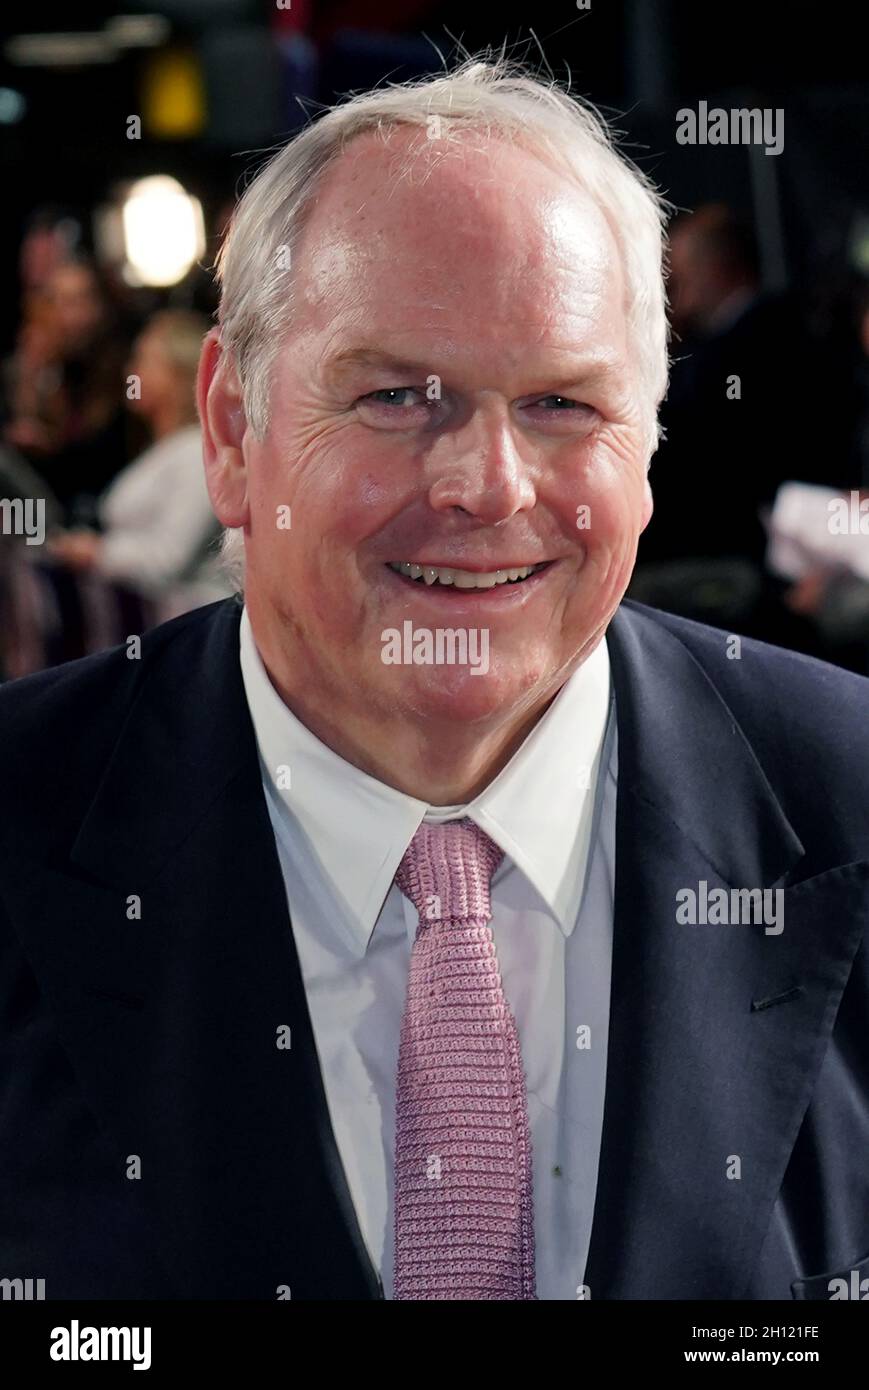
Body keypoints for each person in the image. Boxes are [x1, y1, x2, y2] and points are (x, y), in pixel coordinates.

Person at [0, 57, 867, 1302]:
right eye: (400, 395)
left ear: (651, 445)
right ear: (235, 432)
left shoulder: (846, 800)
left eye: (564, 402)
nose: (489, 485)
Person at [47, 310, 230, 623]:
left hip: (186, 628)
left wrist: (95, 552)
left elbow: (167, 561)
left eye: (144, 360)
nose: (131, 373)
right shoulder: (163, 449)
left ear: (180, 374)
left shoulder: (196, 451)